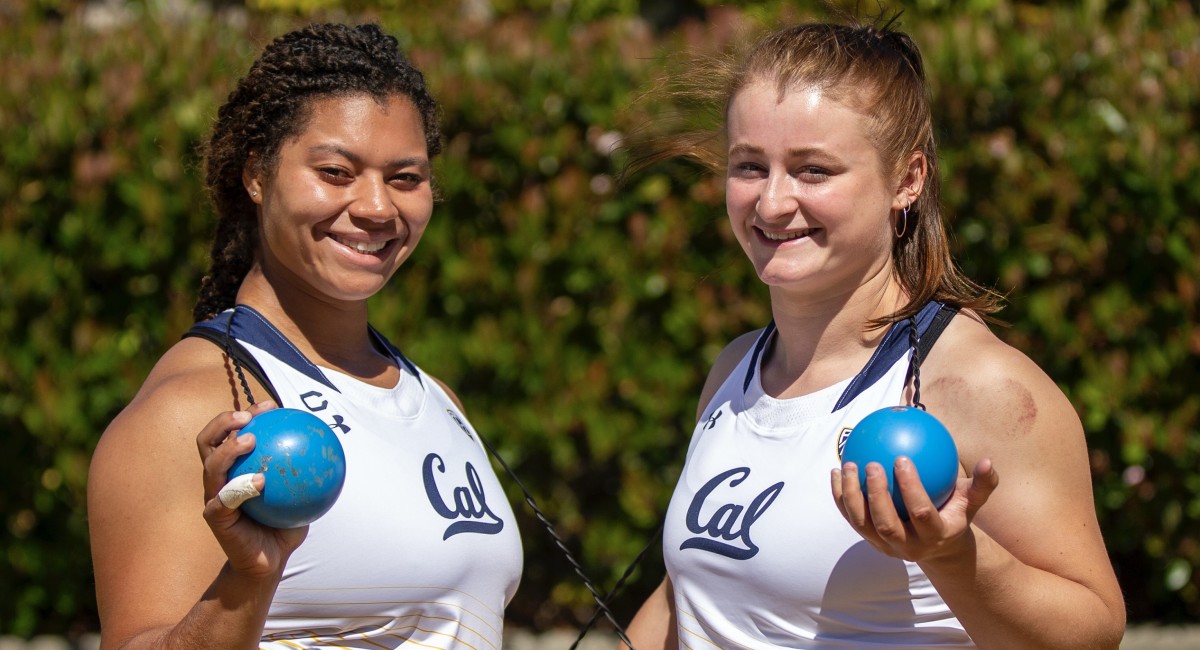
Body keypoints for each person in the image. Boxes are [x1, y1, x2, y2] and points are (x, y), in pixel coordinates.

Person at [622, 17, 1126, 649]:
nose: (772, 203)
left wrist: (952, 556)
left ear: (907, 180)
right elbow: (688, 597)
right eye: (749, 166)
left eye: (813, 170)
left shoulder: (981, 387)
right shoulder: (736, 369)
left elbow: (1095, 632)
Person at [87, 23, 522, 649]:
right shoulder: (188, 410)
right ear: (257, 175)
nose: (377, 207)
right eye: (336, 172)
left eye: (405, 178)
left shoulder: (437, 400)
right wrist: (247, 580)